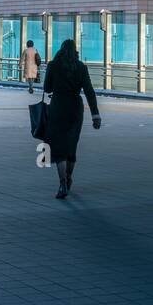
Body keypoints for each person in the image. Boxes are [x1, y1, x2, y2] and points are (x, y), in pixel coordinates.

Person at [42, 39, 101, 199]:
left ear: (61, 49)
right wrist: (95, 114)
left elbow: (47, 87)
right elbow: (89, 91)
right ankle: (69, 178)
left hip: (58, 107)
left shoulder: (54, 65)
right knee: (71, 145)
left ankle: (62, 183)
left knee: (58, 147)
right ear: (75, 50)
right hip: (75, 108)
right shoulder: (81, 66)